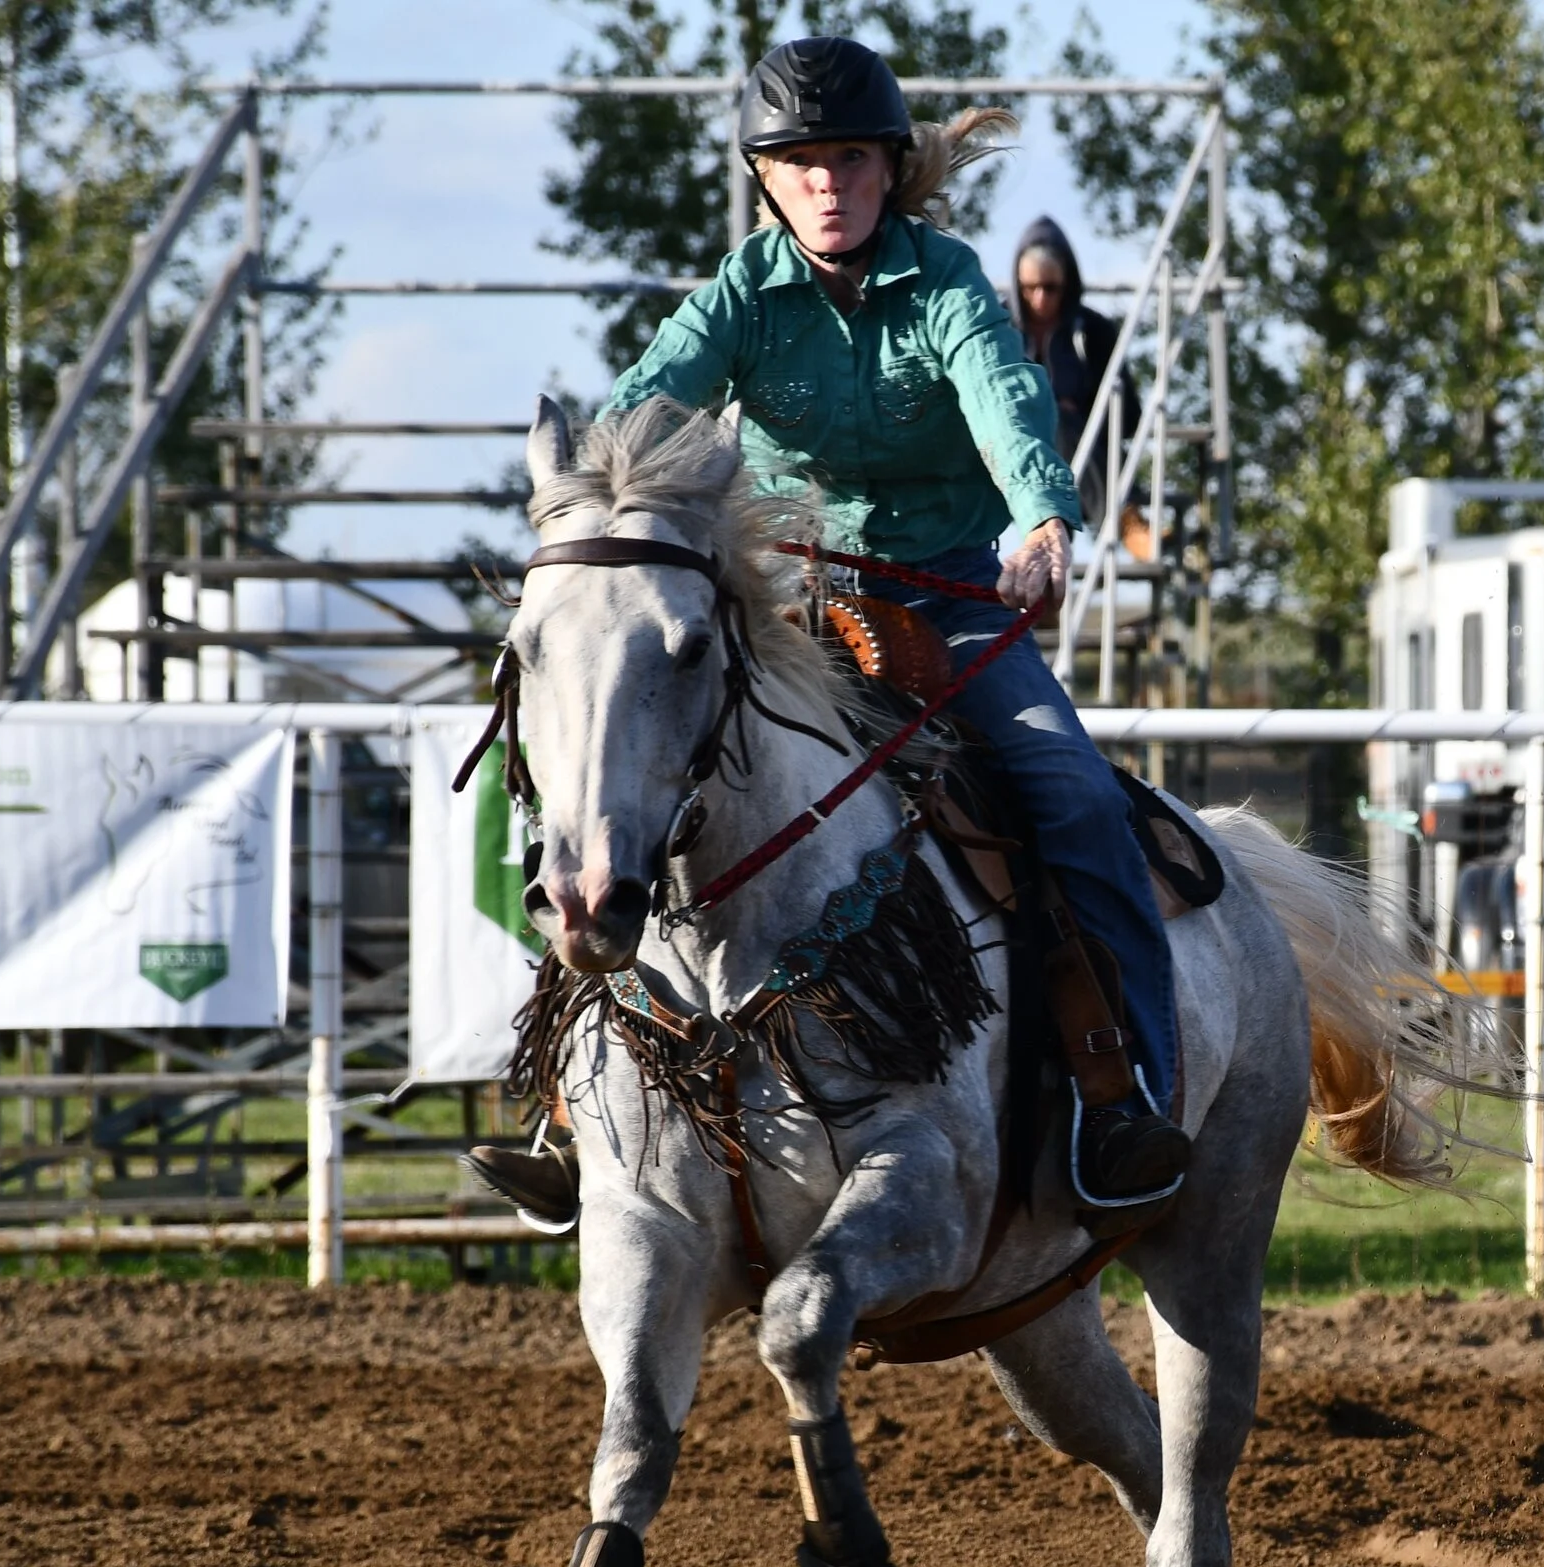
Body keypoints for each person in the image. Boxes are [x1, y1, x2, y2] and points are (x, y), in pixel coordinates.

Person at [479, 35, 1187, 1216]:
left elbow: (1006, 400)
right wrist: (587, 512)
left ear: (888, 166)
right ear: (766, 177)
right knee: (603, 787)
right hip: (781, 610)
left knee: (1072, 795)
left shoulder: (951, 279)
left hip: (947, 597)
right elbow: (639, 414)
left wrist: (1045, 523)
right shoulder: (740, 293)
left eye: (848, 159)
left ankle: (1129, 1103)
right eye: (798, 162)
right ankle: (568, 1112)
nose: (825, 185)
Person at [1012, 217, 1151, 559]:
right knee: (1051, 415)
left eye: (1051, 287)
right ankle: (1125, 517)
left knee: (1063, 424)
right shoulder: (998, 329)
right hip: (1014, 449)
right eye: (1030, 288)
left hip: (1080, 452)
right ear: (1017, 286)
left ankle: (1049, 582)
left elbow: (1128, 417)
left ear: (1067, 284)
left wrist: (1078, 410)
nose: (1040, 298)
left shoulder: (1094, 330)